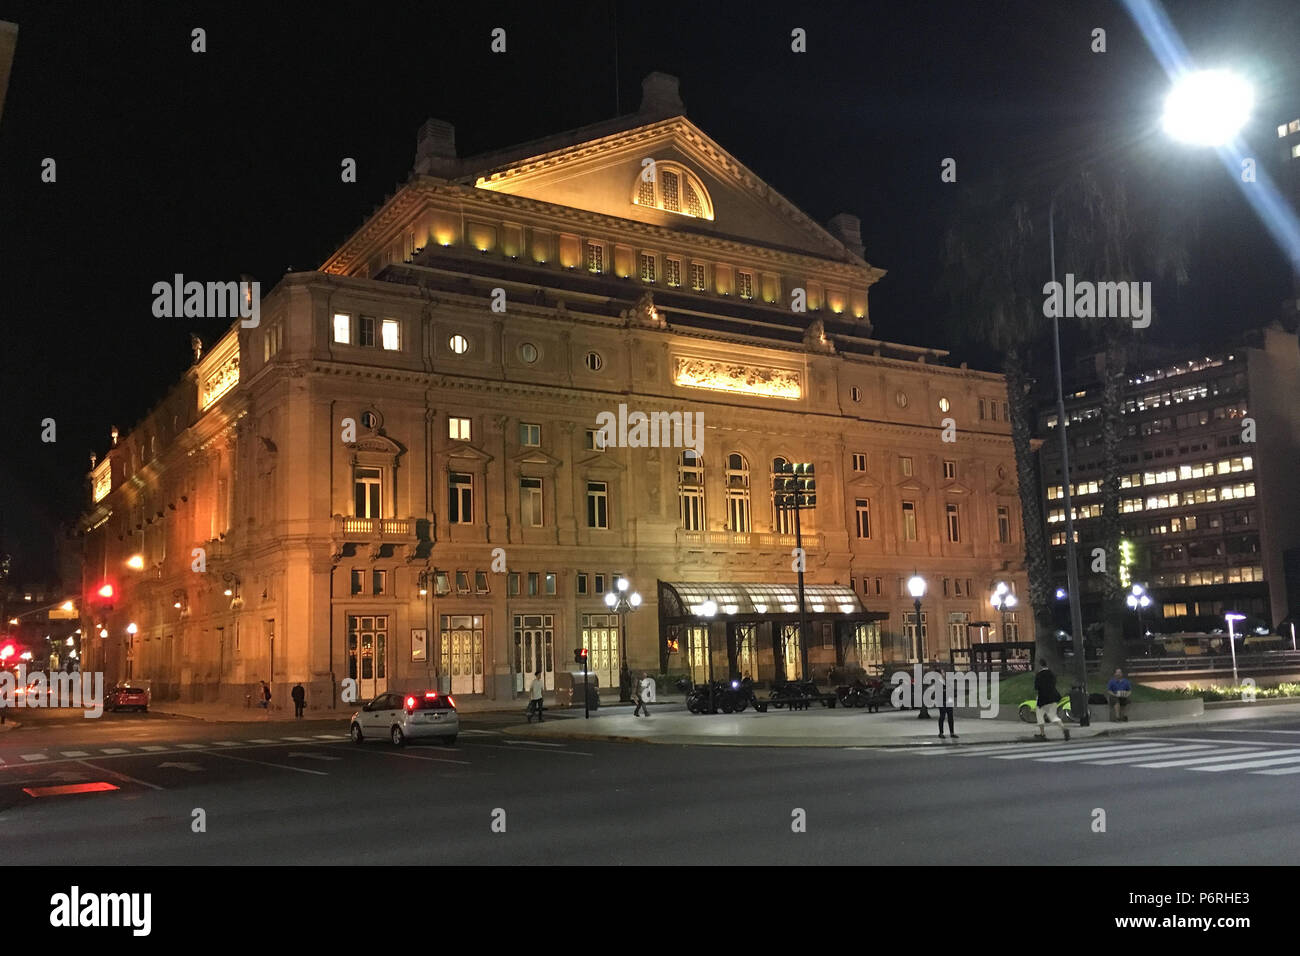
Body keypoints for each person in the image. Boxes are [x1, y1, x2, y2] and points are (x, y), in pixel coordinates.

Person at [1033, 659, 1069, 741]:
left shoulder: (1039, 675)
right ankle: (1064, 728)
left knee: (1039, 715)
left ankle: (1042, 734)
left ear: (1040, 665)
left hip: (1043, 699)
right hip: (1053, 697)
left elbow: (1036, 687)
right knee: (1053, 716)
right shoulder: (1052, 674)